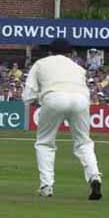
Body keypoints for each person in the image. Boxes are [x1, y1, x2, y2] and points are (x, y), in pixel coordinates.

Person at [23, 39, 102, 200]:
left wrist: (37, 99)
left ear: (50, 51)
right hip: (80, 100)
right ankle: (94, 176)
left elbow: (28, 94)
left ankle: (46, 185)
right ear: (69, 53)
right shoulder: (77, 67)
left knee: (45, 142)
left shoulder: (41, 63)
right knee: (84, 142)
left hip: (54, 96)